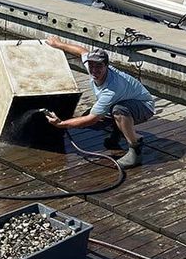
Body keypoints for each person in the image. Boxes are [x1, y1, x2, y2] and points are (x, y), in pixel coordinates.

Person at [44, 36, 155, 169]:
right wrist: (58, 44)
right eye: (91, 65)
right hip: (124, 101)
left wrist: (61, 124)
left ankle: (135, 151)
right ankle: (117, 134)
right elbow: (81, 51)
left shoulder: (111, 89)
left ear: (106, 66)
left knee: (117, 111)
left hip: (144, 107)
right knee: (98, 117)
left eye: (99, 66)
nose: (94, 70)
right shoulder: (92, 65)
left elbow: (92, 119)